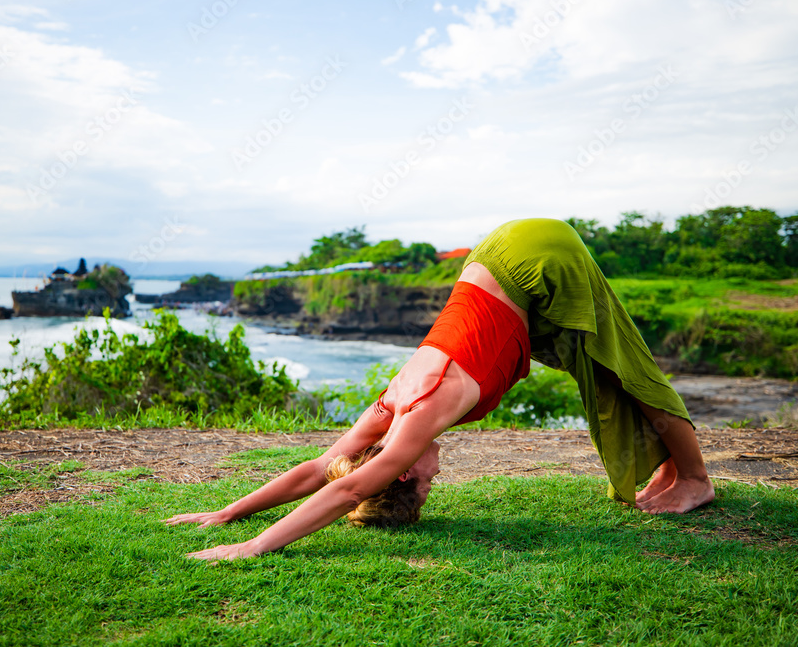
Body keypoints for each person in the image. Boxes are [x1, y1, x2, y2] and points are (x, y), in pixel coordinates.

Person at [164, 219, 715, 561]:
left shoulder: (414, 423)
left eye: (425, 486)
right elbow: (318, 470)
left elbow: (345, 490)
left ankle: (695, 479)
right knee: (595, 365)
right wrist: (228, 511)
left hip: (535, 258)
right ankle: (667, 464)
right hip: (498, 253)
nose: (435, 476)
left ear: (400, 472)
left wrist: (251, 543)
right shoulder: (388, 407)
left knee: (624, 367)